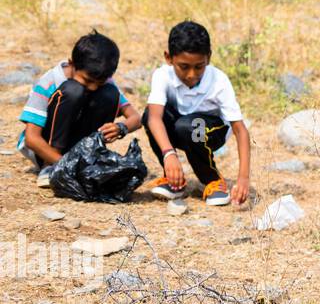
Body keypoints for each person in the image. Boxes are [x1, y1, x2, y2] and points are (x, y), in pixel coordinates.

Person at [144, 20, 251, 208]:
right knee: (149, 115)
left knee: (189, 126)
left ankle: (212, 181)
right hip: (182, 126)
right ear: (169, 58)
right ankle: (174, 181)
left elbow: (240, 130)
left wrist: (243, 178)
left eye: (199, 66)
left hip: (211, 131)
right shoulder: (162, 75)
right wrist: (169, 154)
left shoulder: (219, 81)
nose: (192, 74)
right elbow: (154, 118)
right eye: (184, 67)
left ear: (208, 58)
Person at [17, 31, 142, 186]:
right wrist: (65, 165)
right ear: (72, 64)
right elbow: (31, 139)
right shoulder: (50, 81)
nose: (93, 87)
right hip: (44, 150)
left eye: (99, 83)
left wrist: (121, 127)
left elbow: (136, 118)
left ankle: (87, 158)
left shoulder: (106, 83)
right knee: (73, 91)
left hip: (76, 152)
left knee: (109, 94)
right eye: (87, 81)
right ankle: (49, 168)